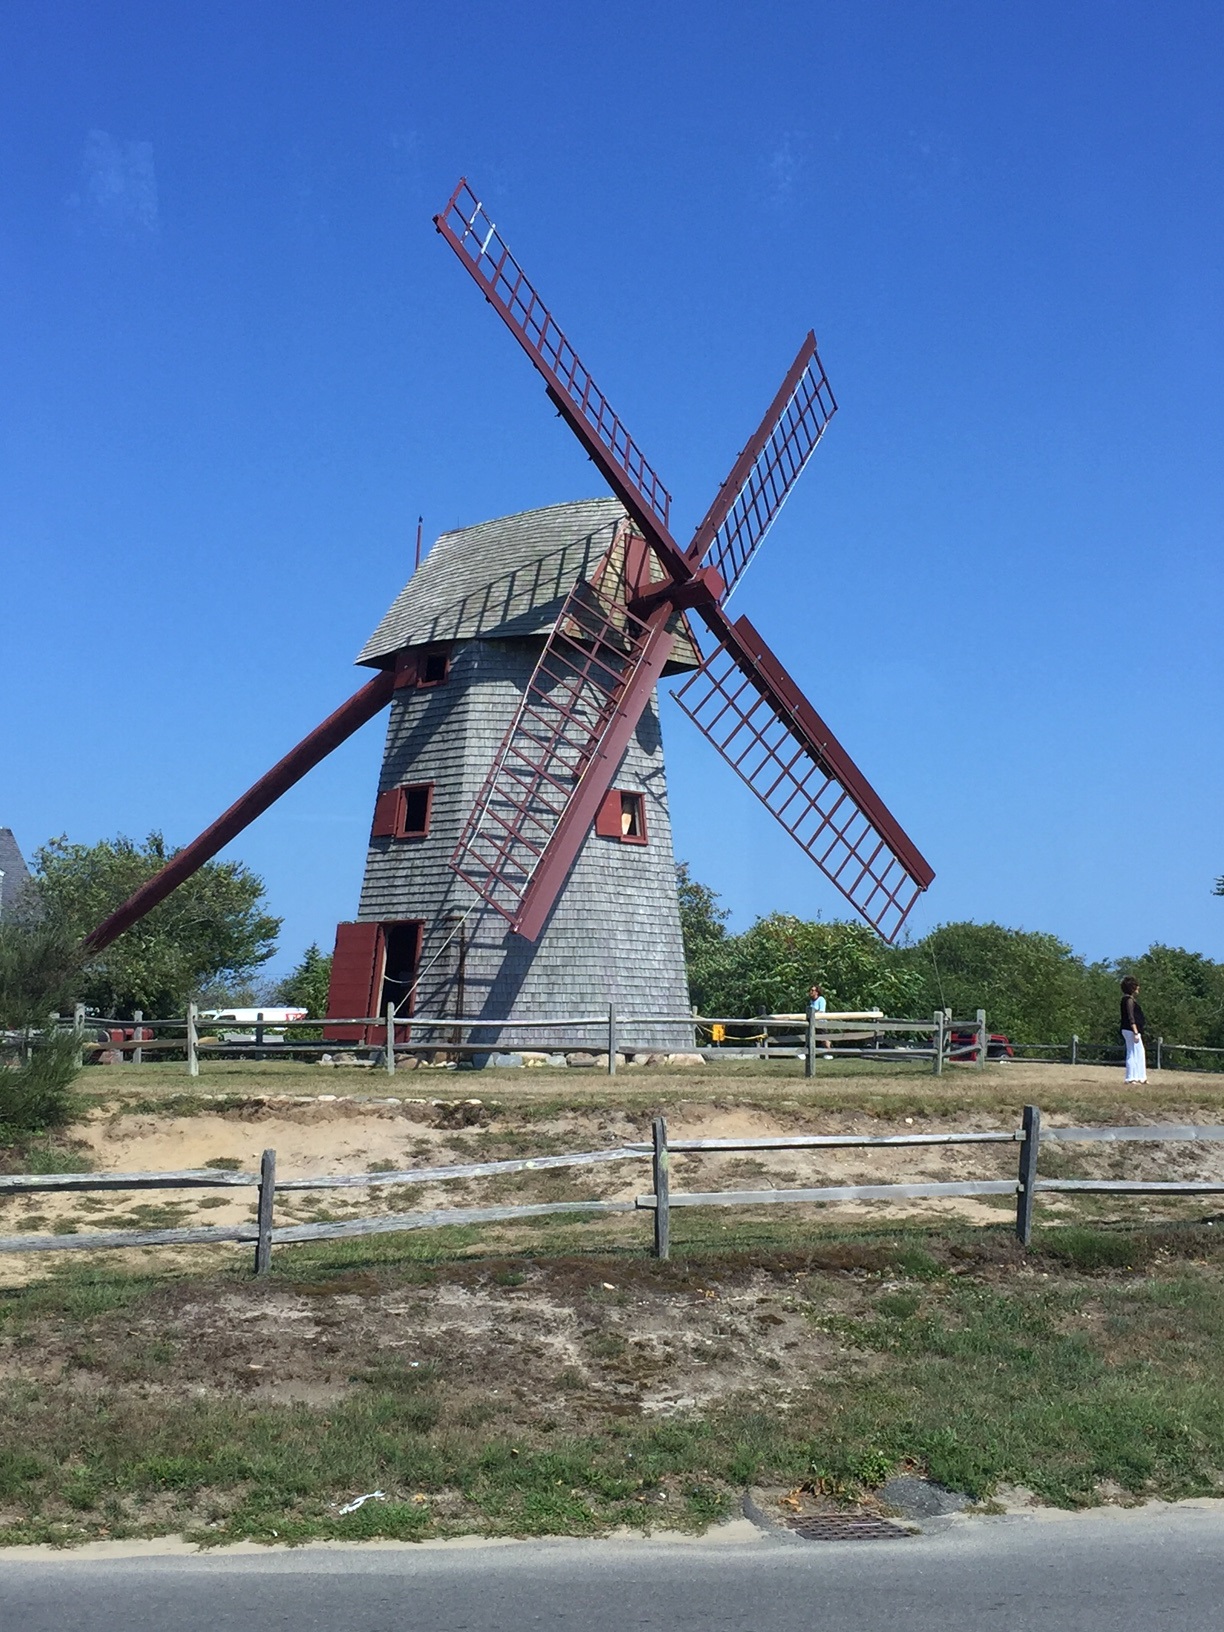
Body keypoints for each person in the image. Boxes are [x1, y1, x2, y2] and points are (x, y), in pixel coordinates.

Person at [1120, 975, 1147, 1084]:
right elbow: (1131, 1017)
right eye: (1136, 986)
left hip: (1132, 1030)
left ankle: (1141, 1077)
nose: (1138, 988)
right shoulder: (1128, 1000)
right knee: (1132, 1052)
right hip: (1130, 1030)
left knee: (1140, 1052)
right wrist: (1135, 1031)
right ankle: (1130, 1078)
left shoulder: (1130, 1000)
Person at [808, 984, 832, 1059]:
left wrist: (812, 1015)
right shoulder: (811, 1001)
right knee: (809, 1037)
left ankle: (829, 1053)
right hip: (813, 1023)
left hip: (821, 1022)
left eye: (812, 990)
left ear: (817, 992)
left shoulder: (821, 999)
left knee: (824, 1038)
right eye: (810, 990)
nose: (811, 992)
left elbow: (821, 1011)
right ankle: (807, 1053)